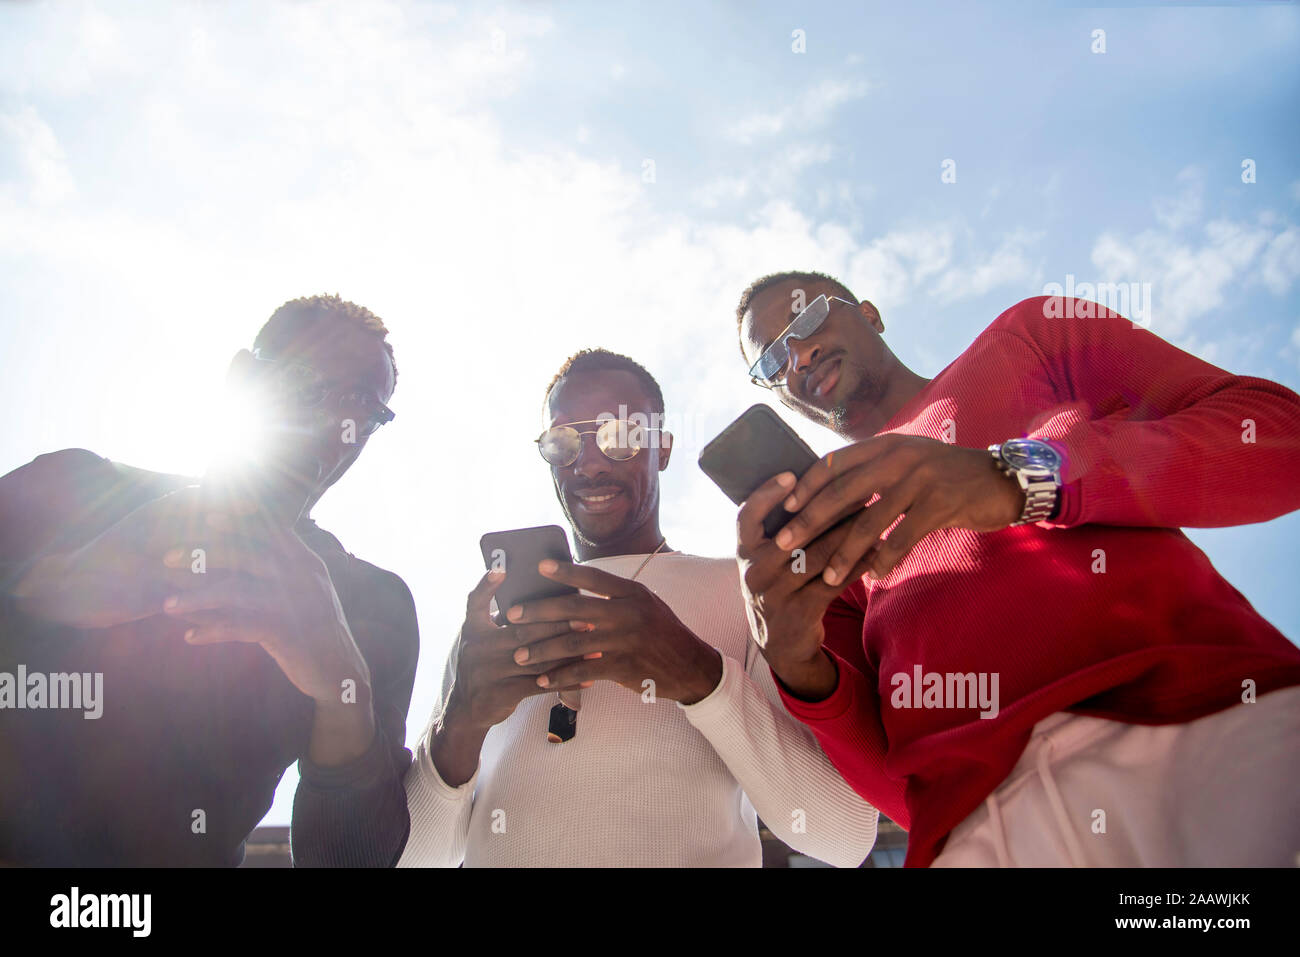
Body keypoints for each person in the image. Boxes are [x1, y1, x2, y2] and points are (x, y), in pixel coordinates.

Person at [732, 271, 1300, 867]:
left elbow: (1277, 435)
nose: (798, 355)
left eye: (807, 319)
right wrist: (796, 666)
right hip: (984, 833)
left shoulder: (1028, 335)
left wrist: (1022, 476)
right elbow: (899, 792)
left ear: (869, 312)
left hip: (1205, 727)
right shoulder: (828, 539)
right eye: (772, 359)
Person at [399, 348, 878, 867]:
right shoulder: (492, 626)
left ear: (663, 448)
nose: (589, 463)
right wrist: (460, 724)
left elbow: (844, 836)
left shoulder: (745, 591)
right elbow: (411, 861)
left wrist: (701, 678)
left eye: (621, 436)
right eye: (563, 443)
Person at [0, 294, 418, 867]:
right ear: (242, 379)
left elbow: (349, 862)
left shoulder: (374, 604)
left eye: (363, 410)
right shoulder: (74, 488)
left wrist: (343, 688)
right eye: (305, 383)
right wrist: (49, 591)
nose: (331, 423)